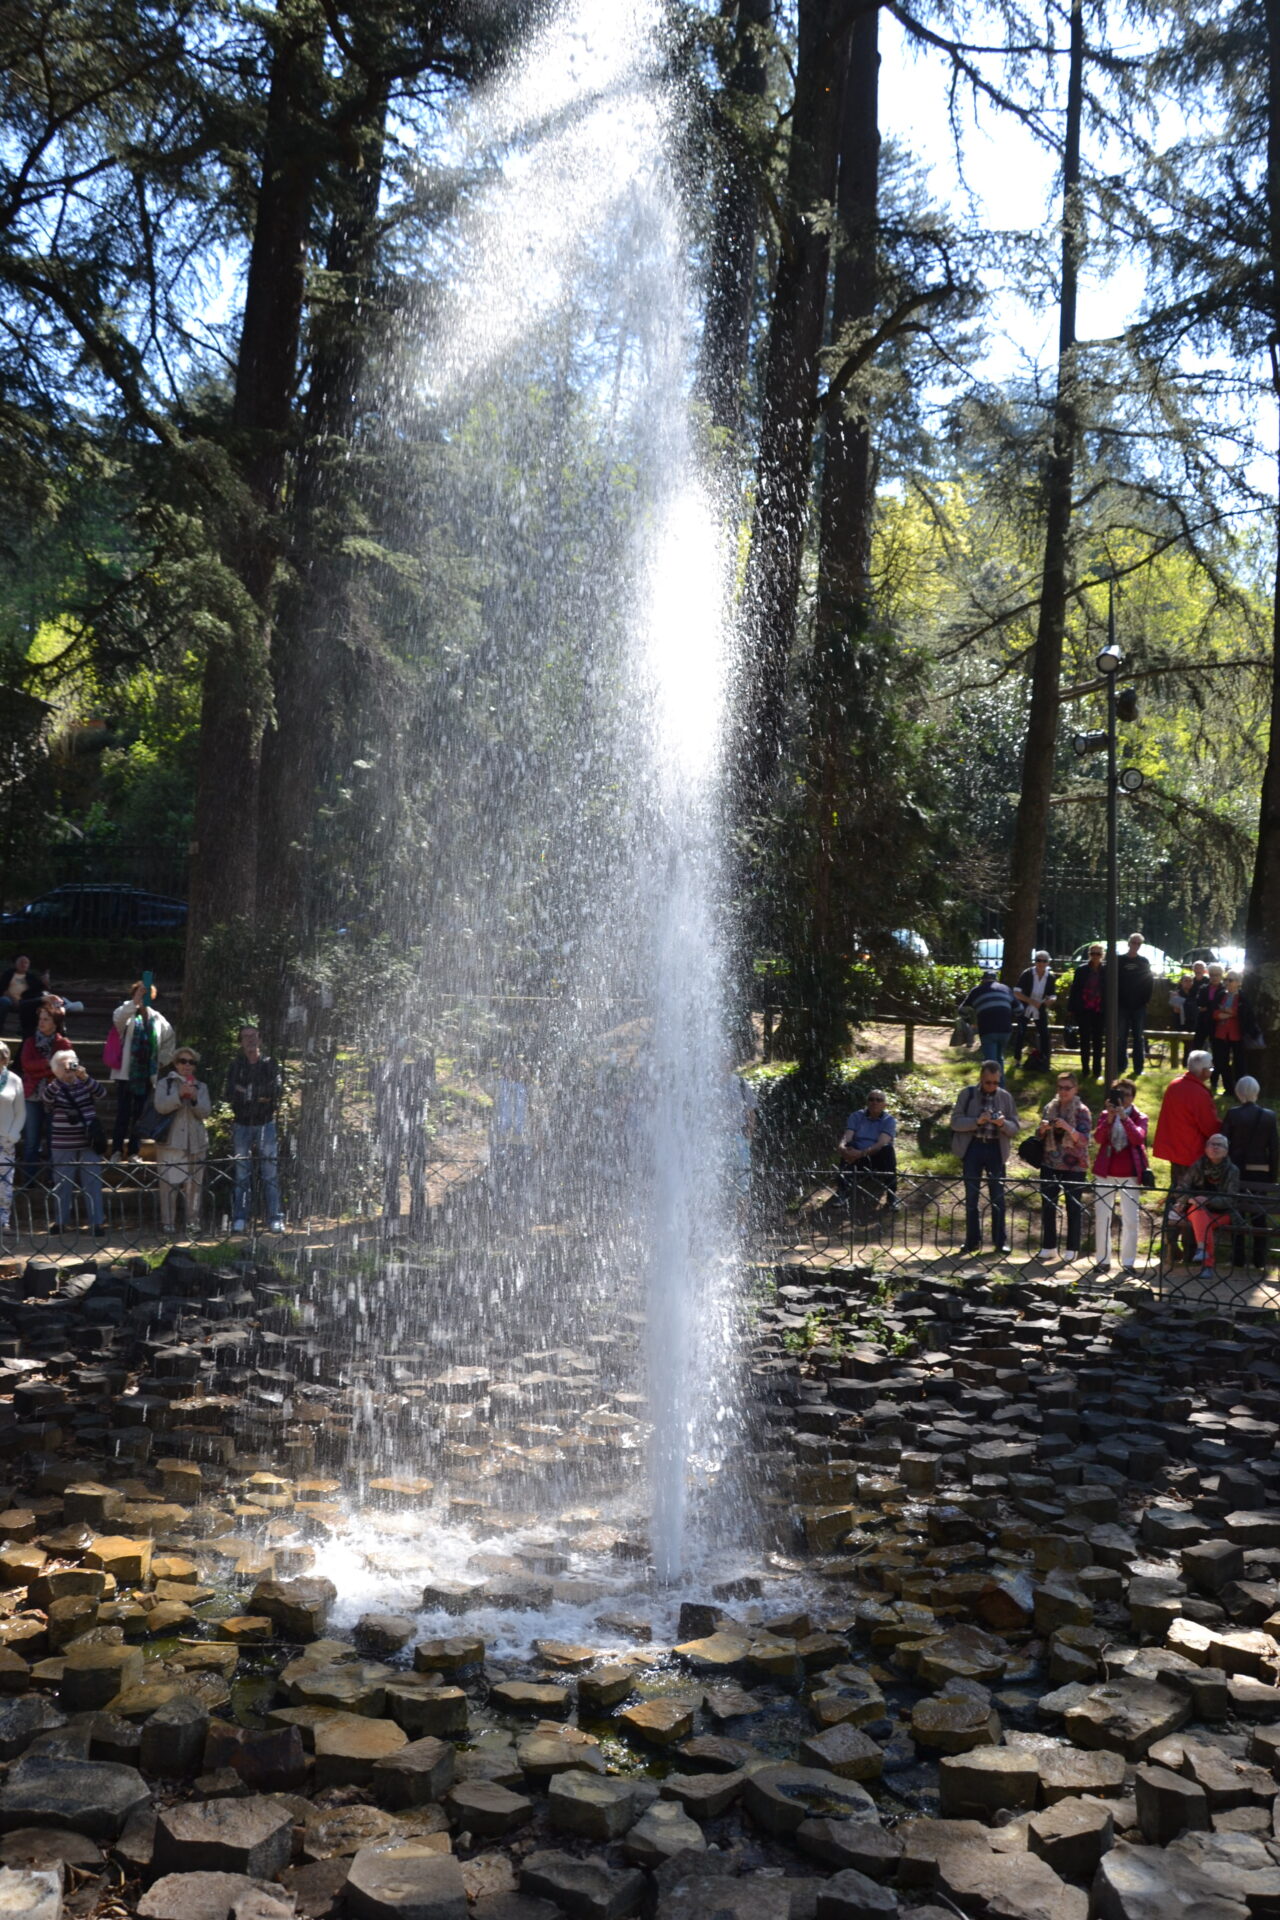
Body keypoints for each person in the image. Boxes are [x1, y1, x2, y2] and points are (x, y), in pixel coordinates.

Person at [950, 1060, 1020, 1255]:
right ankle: (972, 1241)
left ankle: (1000, 1241)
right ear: (981, 1078)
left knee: (998, 1197)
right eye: (988, 1082)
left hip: (996, 1150)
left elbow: (1016, 1127)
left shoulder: (1005, 1097)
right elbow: (955, 1122)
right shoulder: (967, 1094)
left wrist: (1002, 1123)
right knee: (971, 1197)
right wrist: (976, 1121)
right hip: (973, 1148)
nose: (992, 1087)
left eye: (996, 1083)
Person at [224, 1024, 284, 1233]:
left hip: (265, 1124)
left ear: (259, 1039)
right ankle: (240, 1218)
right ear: (240, 1042)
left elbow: (275, 1090)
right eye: (245, 1037)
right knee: (242, 1174)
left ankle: (275, 1217)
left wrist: (248, 1092)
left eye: (253, 1036)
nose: (249, 1040)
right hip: (241, 1124)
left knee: (269, 1172)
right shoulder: (236, 1065)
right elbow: (230, 1092)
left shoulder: (269, 1064)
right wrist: (258, 1094)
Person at [40, 1049, 105, 1236]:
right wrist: (60, 1080)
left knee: (92, 1182)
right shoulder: (54, 1086)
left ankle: (96, 1223)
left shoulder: (85, 1083)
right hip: (62, 1141)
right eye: (62, 1065)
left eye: (71, 1064)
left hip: (88, 1140)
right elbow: (46, 1099)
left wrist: (84, 1077)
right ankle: (60, 1222)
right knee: (62, 1183)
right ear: (55, 1069)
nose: (68, 1068)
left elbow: (101, 1093)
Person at [110, 982, 174, 1160]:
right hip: (126, 1074)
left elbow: (170, 1039)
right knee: (123, 1112)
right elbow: (118, 1021)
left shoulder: (158, 1018)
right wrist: (135, 1002)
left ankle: (133, 1151)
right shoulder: (126, 1011)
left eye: (147, 993)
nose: (143, 996)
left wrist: (161, 1060)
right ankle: (116, 1149)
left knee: (140, 1113)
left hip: (146, 1074)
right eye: (140, 992)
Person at [152, 1047, 212, 1236]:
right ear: (176, 1063)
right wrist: (178, 1095)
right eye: (183, 1061)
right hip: (171, 1141)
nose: (187, 1065)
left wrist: (194, 1099)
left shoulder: (201, 1086)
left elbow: (205, 1112)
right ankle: (168, 1222)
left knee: (194, 1185)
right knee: (169, 1184)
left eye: (191, 1062)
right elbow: (160, 1107)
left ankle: (192, 1222)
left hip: (196, 1142)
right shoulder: (165, 1083)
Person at [1092, 1078, 1149, 1277]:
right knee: (1102, 1218)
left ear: (1132, 1097)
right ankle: (1102, 1260)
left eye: (1125, 1094)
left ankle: (1128, 1262)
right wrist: (1109, 1120)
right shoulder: (1105, 1115)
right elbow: (1098, 1138)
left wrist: (1125, 1117)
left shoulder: (1140, 1116)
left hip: (1130, 1175)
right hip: (1105, 1173)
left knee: (1131, 1220)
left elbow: (1138, 1138)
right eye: (1118, 1093)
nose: (1121, 1098)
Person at [377, 1040, 434, 1236]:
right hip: (392, 1130)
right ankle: (390, 1228)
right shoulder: (386, 1069)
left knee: (417, 1182)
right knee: (390, 1181)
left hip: (413, 1130)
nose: (402, 1052)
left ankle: (417, 1227)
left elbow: (427, 1091)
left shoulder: (419, 1068)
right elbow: (380, 1096)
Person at [1223, 1075, 1278, 1270]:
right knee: (1260, 1216)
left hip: (1236, 1172)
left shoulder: (1232, 1114)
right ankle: (1259, 1260)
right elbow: (1274, 1148)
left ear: (1238, 1092)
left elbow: (1224, 1144)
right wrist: (1273, 1176)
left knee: (1237, 1213)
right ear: (1256, 1092)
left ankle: (1238, 1259)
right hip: (1260, 1171)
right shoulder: (1269, 1116)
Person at [1036, 1071, 1090, 1259]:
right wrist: (1043, 1128)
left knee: (1073, 1207)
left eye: (1068, 1088)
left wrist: (1068, 1127)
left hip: (1074, 1166)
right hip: (1050, 1162)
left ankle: (1072, 1248)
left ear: (1076, 1089)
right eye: (1060, 1087)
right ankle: (1049, 1246)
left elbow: (1084, 1140)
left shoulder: (1082, 1111)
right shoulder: (1050, 1107)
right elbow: (1038, 1136)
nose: (1063, 1091)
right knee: (1048, 1206)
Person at [1172, 1134, 1241, 1269]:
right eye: (1211, 1144)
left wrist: (1208, 1201)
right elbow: (1180, 1189)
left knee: (1203, 1222)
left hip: (1222, 1214)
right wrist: (1191, 1199)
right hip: (1196, 1209)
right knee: (1200, 1213)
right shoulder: (1197, 1166)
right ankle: (1207, 1263)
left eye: (1219, 1145)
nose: (1215, 1147)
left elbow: (1231, 1199)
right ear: (1206, 1148)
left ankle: (1203, 1253)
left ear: (1226, 1151)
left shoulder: (1232, 1170)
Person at [18, 1003, 69, 1187]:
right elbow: (26, 1066)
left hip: (54, 1096)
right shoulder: (30, 1042)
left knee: (52, 1140)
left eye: (46, 1019)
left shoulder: (63, 1044)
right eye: (40, 1019)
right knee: (31, 1140)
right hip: (32, 1095)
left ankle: (51, 1178)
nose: (42, 1022)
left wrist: (45, 1068)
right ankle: (29, 1180)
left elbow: (62, 1070)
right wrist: (49, 1064)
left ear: (55, 1023)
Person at [1152, 1050, 1219, 1183]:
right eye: (1210, 1067)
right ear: (1203, 1070)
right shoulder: (1199, 1093)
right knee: (1191, 1193)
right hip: (1192, 1151)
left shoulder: (1175, 1085)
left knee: (1177, 1187)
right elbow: (1209, 1126)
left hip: (1175, 1148)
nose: (1212, 1071)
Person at [839, 1089, 898, 1209]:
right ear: (866, 1102)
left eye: (879, 1100)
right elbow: (848, 1136)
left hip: (877, 1157)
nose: (874, 1102)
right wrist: (841, 1146)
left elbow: (880, 1144)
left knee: (887, 1150)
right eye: (871, 1099)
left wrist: (861, 1153)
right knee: (848, 1147)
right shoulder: (856, 1116)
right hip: (856, 1156)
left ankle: (891, 1198)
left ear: (884, 1105)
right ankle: (842, 1194)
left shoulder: (889, 1120)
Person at [1207, 968, 1256, 1096]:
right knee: (1221, 1062)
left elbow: (1244, 1013)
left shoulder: (1243, 997)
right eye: (1226, 980)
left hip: (1237, 1035)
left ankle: (1239, 1091)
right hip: (1220, 1034)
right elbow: (1214, 1012)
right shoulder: (1220, 994)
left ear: (1238, 982)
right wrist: (1223, 1013)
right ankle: (1228, 1089)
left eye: (1230, 980)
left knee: (1239, 1064)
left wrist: (1228, 1012)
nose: (1227, 982)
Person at [959, 972, 1016, 1072]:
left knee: (990, 1062)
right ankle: (1000, 1085)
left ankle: (990, 1086)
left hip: (988, 1029)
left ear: (982, 980)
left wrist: (969, 1020)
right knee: (999, 1058)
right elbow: (1019, 1009)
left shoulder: (976, 991)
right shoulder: (1006, 989)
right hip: (1006, 1029)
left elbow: (962, 1011)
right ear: (996, 980)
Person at [1066, 943, 1107, 1080]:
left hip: (1099, 1010)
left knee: (1098, 1041)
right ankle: (1085, 1069)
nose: (1095, 956)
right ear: (1089, 954)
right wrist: (1071, 1008)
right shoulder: (1081, 970)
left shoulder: (1106, 970)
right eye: (1093, 953)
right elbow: (1075, 989)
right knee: (1084, 1040)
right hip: (1084, 1009)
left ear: (1102, 955)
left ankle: (1097, 1071)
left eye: (1098, 954)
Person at [1115, 934, 1154, 1077]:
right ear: (1128, 943)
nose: (1135, 945)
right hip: (1122, 1005)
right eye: (1133, 942)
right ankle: (1120, 1065)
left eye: (1138, 943)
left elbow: (1149, 982)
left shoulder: (1144, 961)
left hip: (1139, 1006)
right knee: (1121, 1037)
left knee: (1138, 1037)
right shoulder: (1119, 960)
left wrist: (1146, 1000)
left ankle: (1138, 1068)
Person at [1013, 953, 1056, 1067]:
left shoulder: (1050, 977)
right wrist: (1031, 1001)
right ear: (1035, 961)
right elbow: (1016, 992)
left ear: (1048, 962)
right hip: (1025, 1007)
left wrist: (1051, 1000)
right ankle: (1017, 1060)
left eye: (1044, 961)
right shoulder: (1027, 974)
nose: (1041, 963)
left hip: (1040, 1008)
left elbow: (1052, 994)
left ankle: (1044, 1060)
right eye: (1039, 960)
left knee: (1044, 1034)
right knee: (1021, 1032)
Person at [0, 1044, 25, 1234]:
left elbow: (20, 1112)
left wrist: (13, 1134)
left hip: (5, 1139)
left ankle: (3, 1222)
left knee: (5, 1184)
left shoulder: (15, 1080)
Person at [0, 959, 43, 1039]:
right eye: (21, 962)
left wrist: (46, 983)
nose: (23, 964)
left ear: (28, 965)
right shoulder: (8, 974)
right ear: (16, 964)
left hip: (25, 1001)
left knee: (33, 1003)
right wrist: (13, 999)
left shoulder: (31, 977)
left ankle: (24, 1030)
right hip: (9, 1000)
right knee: (3, 1001)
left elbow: (39, 991)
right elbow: (3, 989)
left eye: (26, 962)